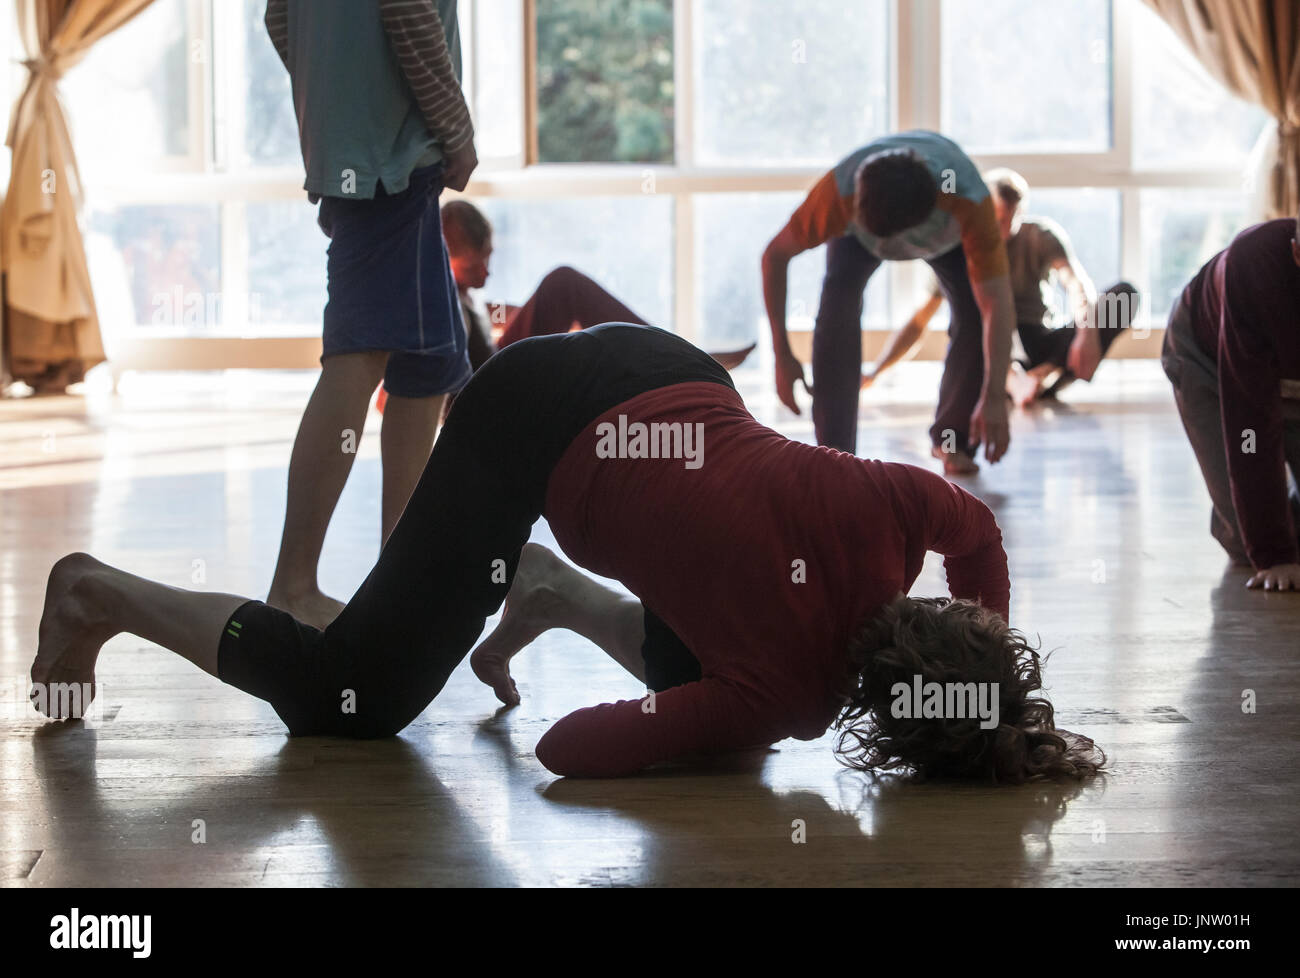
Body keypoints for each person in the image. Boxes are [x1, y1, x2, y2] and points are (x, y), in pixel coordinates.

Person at [30, 323, 1104, 783]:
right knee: (348, 701)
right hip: (531, 422)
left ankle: (545, 587)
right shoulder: (790, 700)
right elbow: (567, 751)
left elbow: (981, 534)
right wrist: (677, 728)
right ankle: (97, 595)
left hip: (668, 370)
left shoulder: (898, 510)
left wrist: (989, 645)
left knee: (717, 710)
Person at [263, 0, 478, 630]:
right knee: (358, 357)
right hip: (394, 161)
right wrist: (456, 131)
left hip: (364, 153)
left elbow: (280, 18)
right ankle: (294, 586)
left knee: (431, 364)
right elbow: (408, 10)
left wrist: (339, 96)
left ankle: (397, 584)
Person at [762, 130, 1014, 476]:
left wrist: (995, 395)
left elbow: (997, 305)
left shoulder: (968, 200)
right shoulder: (838, 194)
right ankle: (836, 458)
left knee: (972, 311)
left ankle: (952, 440)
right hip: (858, 230)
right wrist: (783, 355)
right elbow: (774, 256)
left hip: (947, 236)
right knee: (837, 308)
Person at [373, 199, 754, 413]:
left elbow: (489, 313)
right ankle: (678, 357)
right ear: (446, 258)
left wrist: (519, 317)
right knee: (563, 284)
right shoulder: (433, 300)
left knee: (569, 301)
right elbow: (390, 396)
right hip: (487, 394)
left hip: (496, 370)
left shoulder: (462, 294)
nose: (486, 273)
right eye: (475, 266)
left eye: (490, 260)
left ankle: (672, 357)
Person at [863, 169, 1140, 407]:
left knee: (1124, 296)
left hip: (1039, 341)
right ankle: (1016, 381)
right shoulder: (959, 250)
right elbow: (920, 319)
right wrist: (875, 372)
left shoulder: (1041, 236)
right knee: (970, 328)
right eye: (995, 220)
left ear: (1022, 214)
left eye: (1009, 221)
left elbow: (1075, 283)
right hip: (990, 353)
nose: (1001, 231)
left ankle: (1040, 375)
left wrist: (1087, 333)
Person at [1161, 214, 1300, 592]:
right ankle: (1249, 524)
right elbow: (1250, 427)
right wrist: (1275, 554)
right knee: (1247, 541)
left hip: (1290, 379)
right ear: (1296, 254)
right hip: (1206, 362)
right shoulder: (1254, 267)